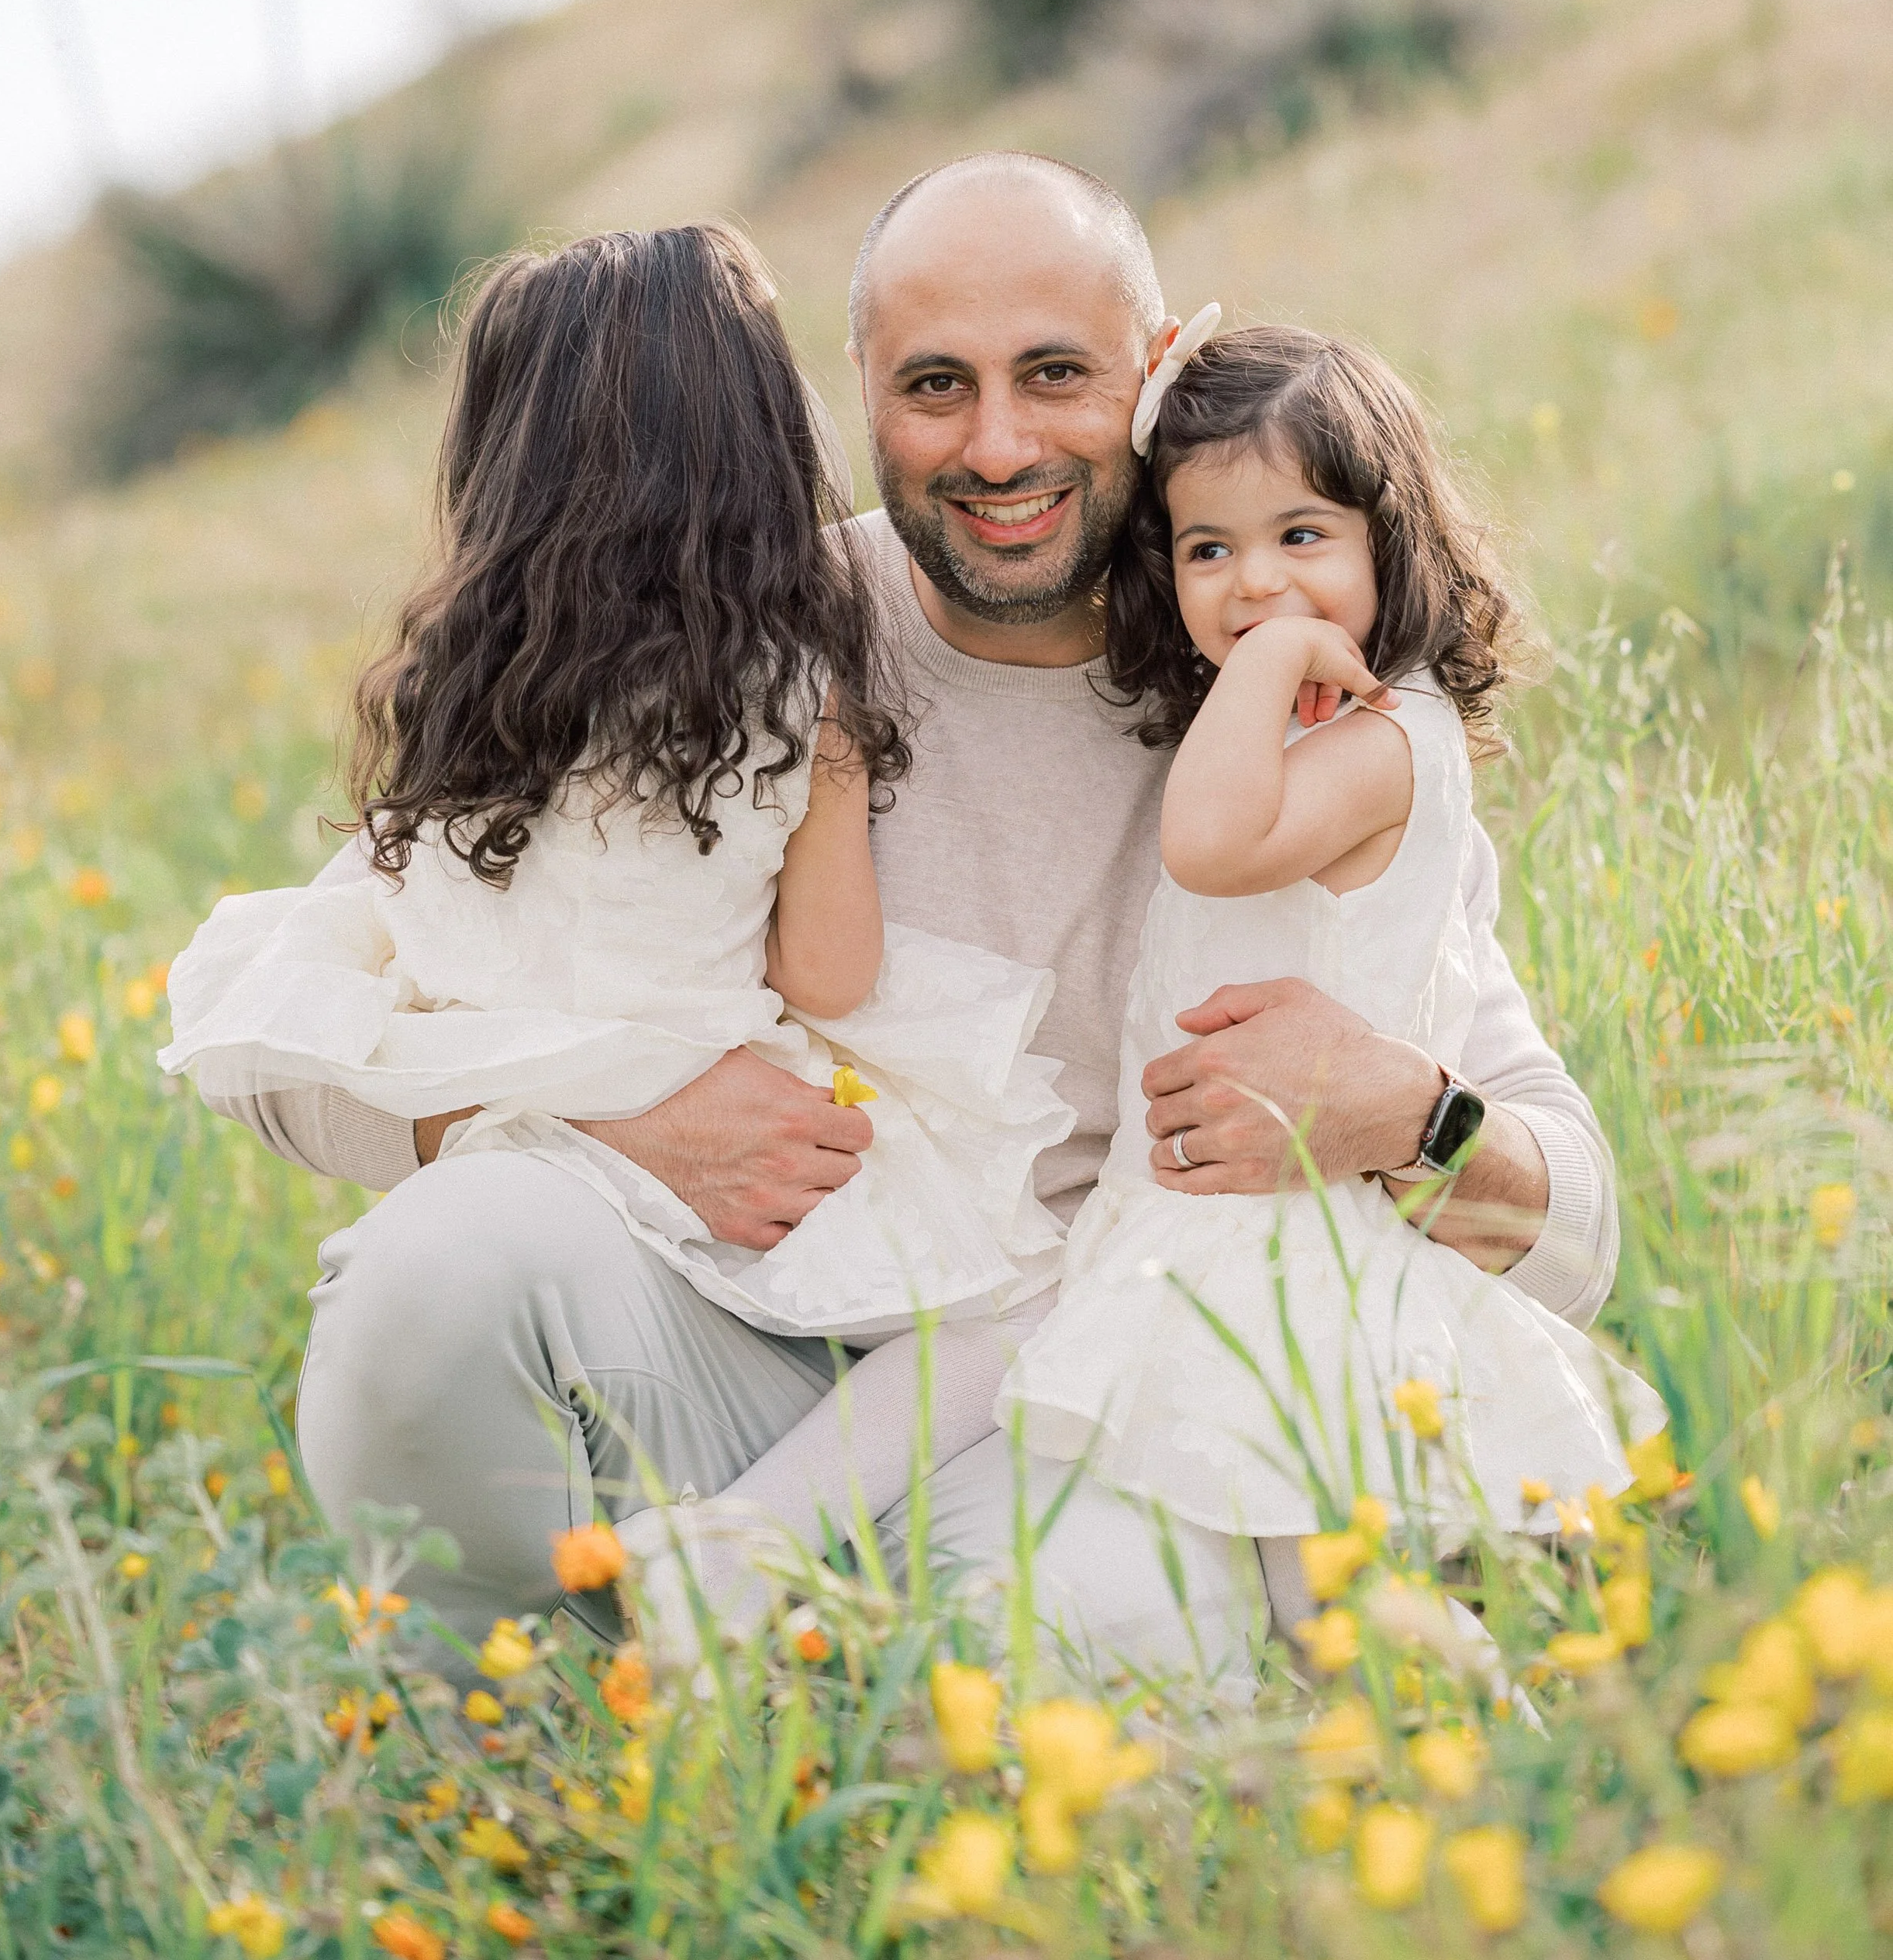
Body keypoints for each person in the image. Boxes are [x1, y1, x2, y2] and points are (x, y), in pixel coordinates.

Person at [184, 153, 1622, 1672]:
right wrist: (616, 1121)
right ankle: (488, 1735)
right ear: (856, 396)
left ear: (1154, 377)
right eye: (936, 386)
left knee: (1110, 1640)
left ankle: (811, 1697)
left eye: (1053, 376)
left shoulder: (1310, 709)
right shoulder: (724, 640)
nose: (997, 445)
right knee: (441, 1268)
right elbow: (275, 1050)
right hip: (729, 1348)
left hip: (1064, 1412)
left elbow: (1567, 1231)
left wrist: (1409, 1117)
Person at [161, 224, 1071, 1626]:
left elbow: (366, 977)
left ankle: (563, 1650)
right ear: (762, 436)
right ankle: (747, 1547)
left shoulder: (455, 694)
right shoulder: (788, 692)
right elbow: (830, 970)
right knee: (1008, 1303)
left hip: (504, 1131)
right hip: (704, 1157)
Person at [1000, 318, 1663, 1546]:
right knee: (1279, 1531)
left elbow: (1211, 843)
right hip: (1215, 1204)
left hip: (1293, 1216)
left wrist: (1265, 664)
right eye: (1209, 548)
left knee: (1318, 1541)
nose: (1255, 584)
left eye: (1301, 537)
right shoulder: (1312, 731)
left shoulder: (1381, 736)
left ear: (1390, 542)